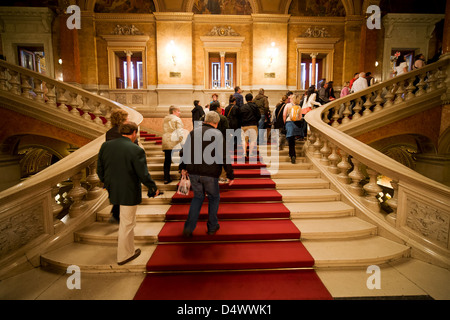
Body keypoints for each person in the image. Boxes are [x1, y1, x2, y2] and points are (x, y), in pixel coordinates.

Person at [97, 122, 160, 265]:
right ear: (134, 133)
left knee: (126, 221)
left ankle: (129, 250)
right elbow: (143, 174)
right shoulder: (135, 149)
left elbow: (99, 169)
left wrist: (107, 183)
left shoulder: (106, 146)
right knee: (127, 223)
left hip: (113, 189)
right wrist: (153, 188)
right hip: (129, 191)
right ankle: (124, 255)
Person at [180, 111, 235, 237]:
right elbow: (224, 155)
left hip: (194, 171)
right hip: (210, 173)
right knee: (214, 198)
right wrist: (230, 174)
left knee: (197, 198)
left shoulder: (194, 132)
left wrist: (183, 167)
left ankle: (188, 228)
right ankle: (212, 226)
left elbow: (185, 151)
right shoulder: (218, 134)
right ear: (216, 123)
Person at [105, 109, 137, 223]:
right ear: (122, 119)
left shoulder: (109, 133)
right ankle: (118, 213)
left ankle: (116, 211)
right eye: (127, 118)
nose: (128, 120)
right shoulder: (127, 131)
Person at [162, 106, 185, 184]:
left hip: (166, 141)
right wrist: (182, 140)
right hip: (174, 141)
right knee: (183, 156)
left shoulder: (165, 119)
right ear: (174, 112)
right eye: (178, 111)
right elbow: (179, 131)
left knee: (167, 160)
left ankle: (166, 178)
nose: (179, 113)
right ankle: (182, 174)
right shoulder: (176, 119)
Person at [210, 101, 230, 184]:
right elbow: (226, 131)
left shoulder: (204, 117)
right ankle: (222, 177)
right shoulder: (222, 118)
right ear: (218, 108)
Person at [283, 92, 303, 164]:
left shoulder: (288, 105)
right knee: (293, 140)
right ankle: (291, 154)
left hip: (289, 123)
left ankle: (292, 155)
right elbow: (300, 117)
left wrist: (284, 123)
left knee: (290, 140)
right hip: (296, 124)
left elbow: (284, 115)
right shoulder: (299, 107)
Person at [239, 93, 261, 158]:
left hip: (244, 126)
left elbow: (240, 116)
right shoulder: (255, 106)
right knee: (253, 140)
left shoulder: (242, 107)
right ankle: (251, 153)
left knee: (244, 140)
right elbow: (259, 116)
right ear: (252, 98)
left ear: (245, 99)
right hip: (253, 125)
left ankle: (244, 153)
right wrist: (255, 121)